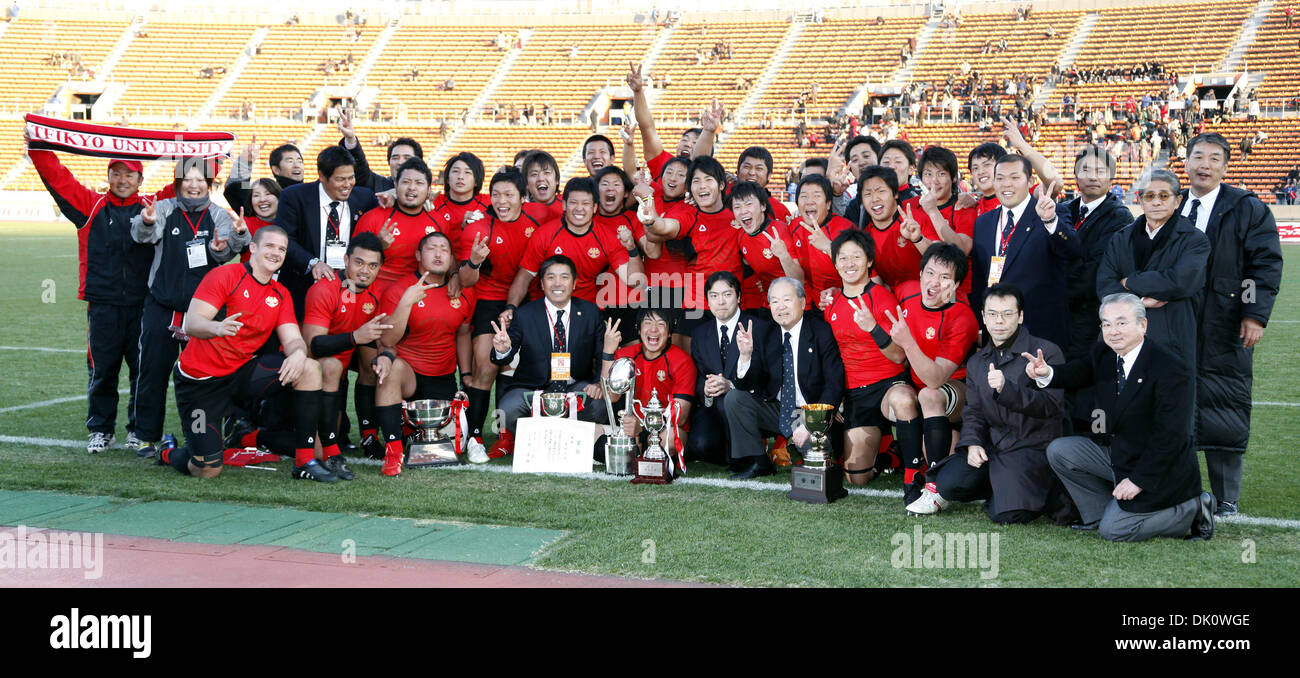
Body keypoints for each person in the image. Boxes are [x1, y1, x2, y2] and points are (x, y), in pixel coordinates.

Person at [27, 137, 174, 454]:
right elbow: (57, 177)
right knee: (102, 371)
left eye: (129, 175)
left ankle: (138, 430)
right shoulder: (89, 205)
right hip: (103, 305)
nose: (122, 180)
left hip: (144, 306)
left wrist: (207, 155)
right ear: (108, 177)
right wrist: (38, 146)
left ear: (140, 179)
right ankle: (100, 429)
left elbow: (189, 181)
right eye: (116, 174)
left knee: (142, 371)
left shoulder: (154, 206)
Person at [1029, 293, 1215, 542]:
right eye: (1106, 324)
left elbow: (1172, 435)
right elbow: (1077, 372)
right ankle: (1097, 515)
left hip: (1161, 468)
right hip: (1119, 455)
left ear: (1143, 324)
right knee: (1061, 451)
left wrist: (1139, 480)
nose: (1113, 331)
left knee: (1115, 531)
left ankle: (1192, 509)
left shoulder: (1172, 368)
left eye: (1121, 323)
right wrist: (1046, 372)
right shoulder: (1105, 354)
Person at [162, 226, 341, 483]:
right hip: (200, 383)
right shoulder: (226, 275)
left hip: (240, 374)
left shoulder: (280, 293)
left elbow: (292, 339)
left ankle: (304, 462)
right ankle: (168, 452)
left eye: (282, 249)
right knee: (208, 469)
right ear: (253, 248)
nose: (276, 253)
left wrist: (298, 354)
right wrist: (217, 327)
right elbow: (192, 324)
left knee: (309, 368)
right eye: (270, 246)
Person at [1177, 133, 1283, 517]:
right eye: (1198, 156)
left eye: (1214, 158)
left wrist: (1253, 314)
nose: (1204, 164)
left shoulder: (1246, 207)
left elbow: (1265, 263)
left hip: (1225, 325)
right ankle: (1180, 488)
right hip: (1177, 324)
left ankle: (1226, 498)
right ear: (1185, 162)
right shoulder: (1171, 203)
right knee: (1176, 406)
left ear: (1225, 166)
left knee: (1225, 406)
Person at [908, 283, 1072, 522]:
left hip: (1031, 448)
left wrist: (1007, 390)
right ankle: (1001, 486)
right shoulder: (977, 362)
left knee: (1007, 514)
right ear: (983, 316)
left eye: (1007, 314)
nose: (999, 321)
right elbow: (973, 412)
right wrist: (973, 443)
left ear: (1021, 316)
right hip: (993, 447)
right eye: (993, 314)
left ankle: (1027, 490)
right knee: (948, 483)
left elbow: (1051, 407)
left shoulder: (1045, 352)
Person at [130, 159, 248, 459]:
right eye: (188, 179)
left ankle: (206, 436)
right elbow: (146, 235)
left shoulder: (219, 214)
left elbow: (228, 248)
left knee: (207, 376)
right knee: (152, 372)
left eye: (200, 180)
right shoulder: (165, 208)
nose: (194, 185)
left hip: (205, 311)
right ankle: (145, 436)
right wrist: (145, 221)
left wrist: (230, 242)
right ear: (178, 181)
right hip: (163, 306)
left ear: (209, 184)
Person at [372, 231, 479, 476]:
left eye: (444, 249)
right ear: (419, 254)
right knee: (389, 368)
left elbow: (462, 334)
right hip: (409, 376)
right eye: (432, 248)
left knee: (452, 446)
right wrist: (406, 303)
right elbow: (387, 339)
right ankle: (393, 450)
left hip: (442, 379)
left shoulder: (462, 291)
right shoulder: (399, 289)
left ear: (452, 259)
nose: (438, 253)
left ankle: (414, 431)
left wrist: (467, 374)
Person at [723, 277, 843, 479]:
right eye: (775, 301)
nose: (781, 307)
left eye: (787, 300)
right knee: (735, 398)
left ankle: (805, 444)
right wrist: (745, 356)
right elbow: (749, 384)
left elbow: (834, 384)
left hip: (811, 411)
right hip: (778, 409)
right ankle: (758, 460)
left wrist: (811, 422)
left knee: (815, 463)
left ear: (803, 303)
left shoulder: (821, 332)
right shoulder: (767, 334)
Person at [488, 255, 607, 457]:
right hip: (533, 387)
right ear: (542, 284)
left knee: (600, 405)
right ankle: (543, 438)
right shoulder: (525, 314)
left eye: (564, 277)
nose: (557, 283)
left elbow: (601, 352)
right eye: (550, 277)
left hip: (573, 386)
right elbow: (502, 359)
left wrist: (597, 383)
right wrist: (502, 349)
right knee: (507, 409)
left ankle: (557, 439)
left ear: (574, 283)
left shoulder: (590, 312)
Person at [460, 167, 544, 446]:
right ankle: (474, 438)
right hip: (489, 300)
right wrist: (473, 261)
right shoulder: (477, 229)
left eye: (509, 194)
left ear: (524, 197)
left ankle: (503, 435)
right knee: (486, 368)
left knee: (516, 369)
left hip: (530, 301)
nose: (502, 201)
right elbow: (465, 279)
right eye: (496, 195)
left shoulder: (541, 217)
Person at [821, 231, 908, 488]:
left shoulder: (882, 297)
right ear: (835, 263)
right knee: (856, 478)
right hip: (857, 393)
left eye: (856, 257)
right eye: (843, 258)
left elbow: (899, 355)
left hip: (889, 385)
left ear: (869, 261)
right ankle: (887, 454)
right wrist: (835, 399)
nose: (849, 264)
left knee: (904, 401)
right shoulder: (832, 303)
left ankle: (912, 464)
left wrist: (874, 329)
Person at [1097, 170, 1209, 366]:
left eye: (1164, 196)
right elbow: (1105, 285)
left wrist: (1130, 282)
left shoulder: (1195, 240)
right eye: (1149, 196)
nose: (1156, 202)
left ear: (1177, 201)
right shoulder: (1121, 237)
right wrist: (1140, 301)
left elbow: (1179, 282)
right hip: (1121, 340)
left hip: (1172, 338)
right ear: (1140, 200)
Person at [302, 232, 392, 468]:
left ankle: (369, 436)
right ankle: (254, 436)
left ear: (380, 267)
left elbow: (380, 338)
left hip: (340, 370)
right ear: (345, 260)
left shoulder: (379, 292)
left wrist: (384, 356)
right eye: (359, 262)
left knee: (377, 362)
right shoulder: (324, 289)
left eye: (373, 265)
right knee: (319, 450)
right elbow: (314, 345)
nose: (365, 270)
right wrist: (355, 338)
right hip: (311, 374)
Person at [970, 155, 1078, 350]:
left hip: (1041, 335)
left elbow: (1072, 250)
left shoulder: (1051, 213)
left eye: (1014, 177)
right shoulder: (983, 222)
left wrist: (1050, 221)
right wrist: (980, 324)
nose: (1006, 184)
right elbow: (980, 280)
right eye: (1000, 178)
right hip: (996, 336)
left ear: (1030, 181)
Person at [503, 177, 642, 313]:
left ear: (594, 207)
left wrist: (632, 249)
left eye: (586, 203)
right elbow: (523, 278)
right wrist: (511, 308)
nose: (579, 209)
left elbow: (634, 280)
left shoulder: (607, 238)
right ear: (564, 205)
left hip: (585, 309)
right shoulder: (545, 235)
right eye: (574, 202)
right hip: (547, 308)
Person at [643, 157, 741, 344]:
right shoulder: (688, 213)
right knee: (688, 365)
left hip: (730, 307)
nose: (702, 186)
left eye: (708, 180)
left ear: (721, 185)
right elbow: (665, 227)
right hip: (695, 305)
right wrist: (651, 217)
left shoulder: (738, 216)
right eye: (696, 181)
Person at [275, 145, 379, 317]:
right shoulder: (294, 196)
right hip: (304, 287)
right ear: (322, 176)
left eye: (351, 178)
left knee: (345, 335)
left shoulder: (365, 198)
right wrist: (313, 262)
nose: (348, 185)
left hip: (349, 286)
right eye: (340, 179)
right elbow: (285, 239)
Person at [688, 272, 774, 467]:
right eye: (714, 295)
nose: (721, 302)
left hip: (748, 403)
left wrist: (732, 385)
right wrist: (707, 388)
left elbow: (766, 375)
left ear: (739, 297)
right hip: (713, 406)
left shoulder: (759, 327)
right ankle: (731, 452)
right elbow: (699, 375)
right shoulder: (700, 333)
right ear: (707, 300)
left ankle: (746, 453)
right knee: (699, 446)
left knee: (734, 458)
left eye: (727, 294)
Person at [1058, 145, 1132, 363]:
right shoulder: (1064, 210)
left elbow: (1096, 269)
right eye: (1085, 170)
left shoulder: (1119, 217)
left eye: (1100, 171)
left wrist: (1054, 293)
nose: (1092, 177)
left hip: (1089, 314)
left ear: (1111, 178)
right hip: (1059, 312)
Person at [603, 308, 696, 473]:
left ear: (669, 333)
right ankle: (636, 449)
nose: (653, 329)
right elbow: (611, 396)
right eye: (647, 323)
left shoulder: (682, 360)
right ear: (639, 330)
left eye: (661, 324)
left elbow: (680, 416)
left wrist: (643, 427)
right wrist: (608, 352)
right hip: (631, 429)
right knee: (594, 434)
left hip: (665, 429)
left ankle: (641, 451)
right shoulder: (626, 355)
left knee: (672, 439)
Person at [353, 157, 468, 289]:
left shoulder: (438, 221)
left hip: (422, 294)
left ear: (429, 190)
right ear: (395, 185)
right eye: (406, 182)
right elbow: (353, 262)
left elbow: (448, 256)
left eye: (419, 183)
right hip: (376, 294)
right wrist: (377, 246)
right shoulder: (372, 218)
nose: (412, 188)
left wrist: (454, 275)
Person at [730, 181, 803, 320]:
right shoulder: (741, 236)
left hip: (793, 303)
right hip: (768, 304)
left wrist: (783, 256)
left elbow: (799, 279)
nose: (743, 211)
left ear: (763, 206)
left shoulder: (779, 231)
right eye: (737, 207)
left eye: (748, 204)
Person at [789, 173, 854, 310]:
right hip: (807, 304)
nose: (809, 201)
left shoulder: (846, 229)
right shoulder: (794, 227)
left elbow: (860, 272)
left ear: (829, 204)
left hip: (842, 301)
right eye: (804, 196)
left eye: (816, 196)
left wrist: (829, 247)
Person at [338, 107, 421, 194]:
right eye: (395, 158)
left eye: (407, 158)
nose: (400, 162)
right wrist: (350, 140)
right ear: (389, 162)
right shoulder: (378, 185)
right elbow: (360, 170)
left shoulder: (428, 197)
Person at [223, 139, 303, 221]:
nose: (297, 165)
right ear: (276, 170)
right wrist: (245, 162)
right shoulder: (264, 191)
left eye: (300, 161)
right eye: (290, 161)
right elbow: (235, 187)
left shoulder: (313, 192)